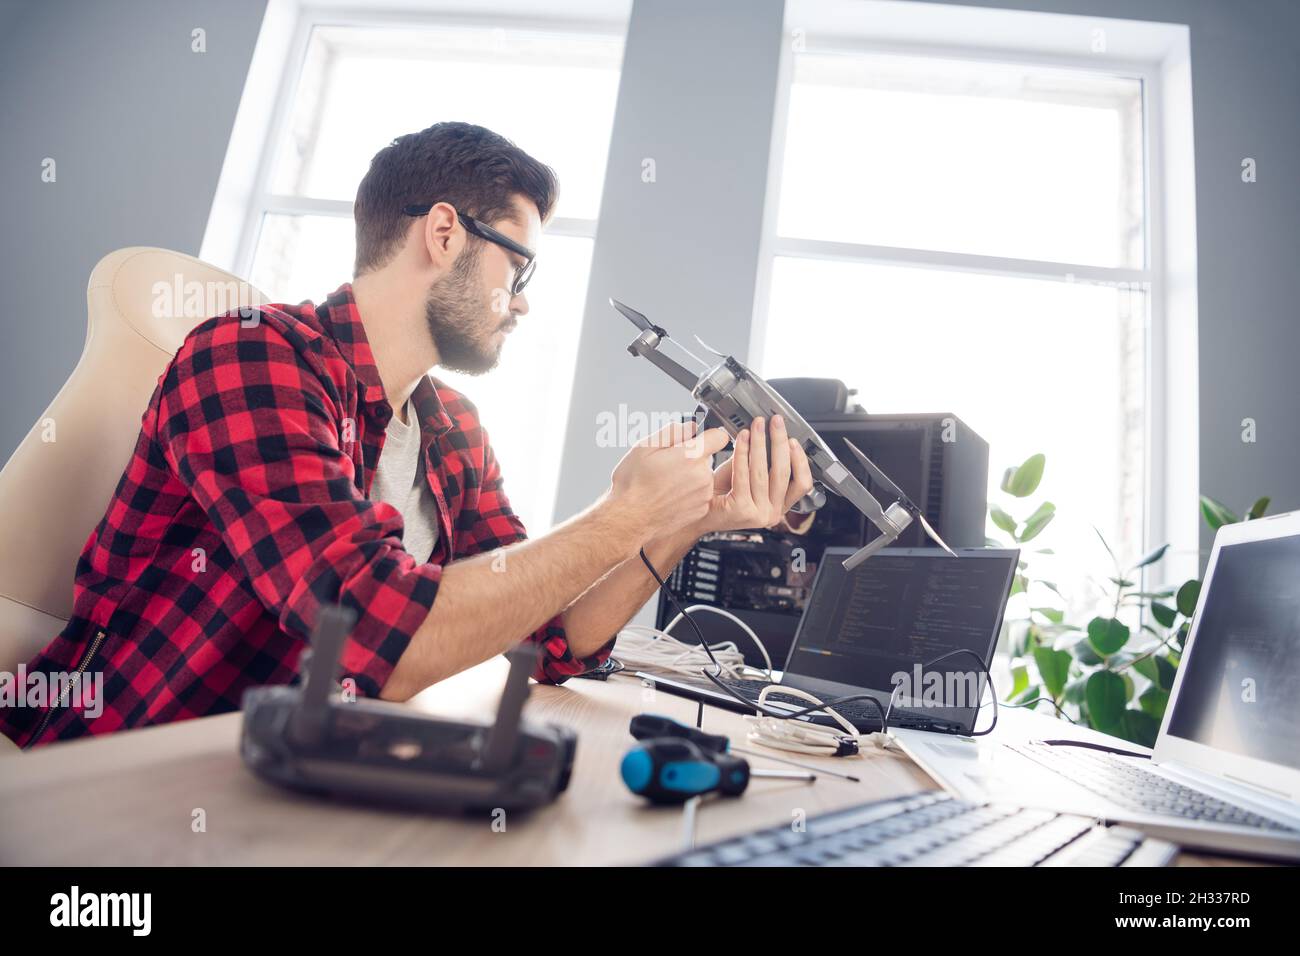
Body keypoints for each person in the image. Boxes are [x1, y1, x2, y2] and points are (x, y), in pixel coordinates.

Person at [0, 121, 811, 748]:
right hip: (128, 763)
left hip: (299, 775)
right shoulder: (250, 355)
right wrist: (622, 512)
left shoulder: (452, 429)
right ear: (446, 233)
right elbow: (370, 638)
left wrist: (682, 521)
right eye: (518, 269)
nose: (523, 301)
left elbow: (552, 639)